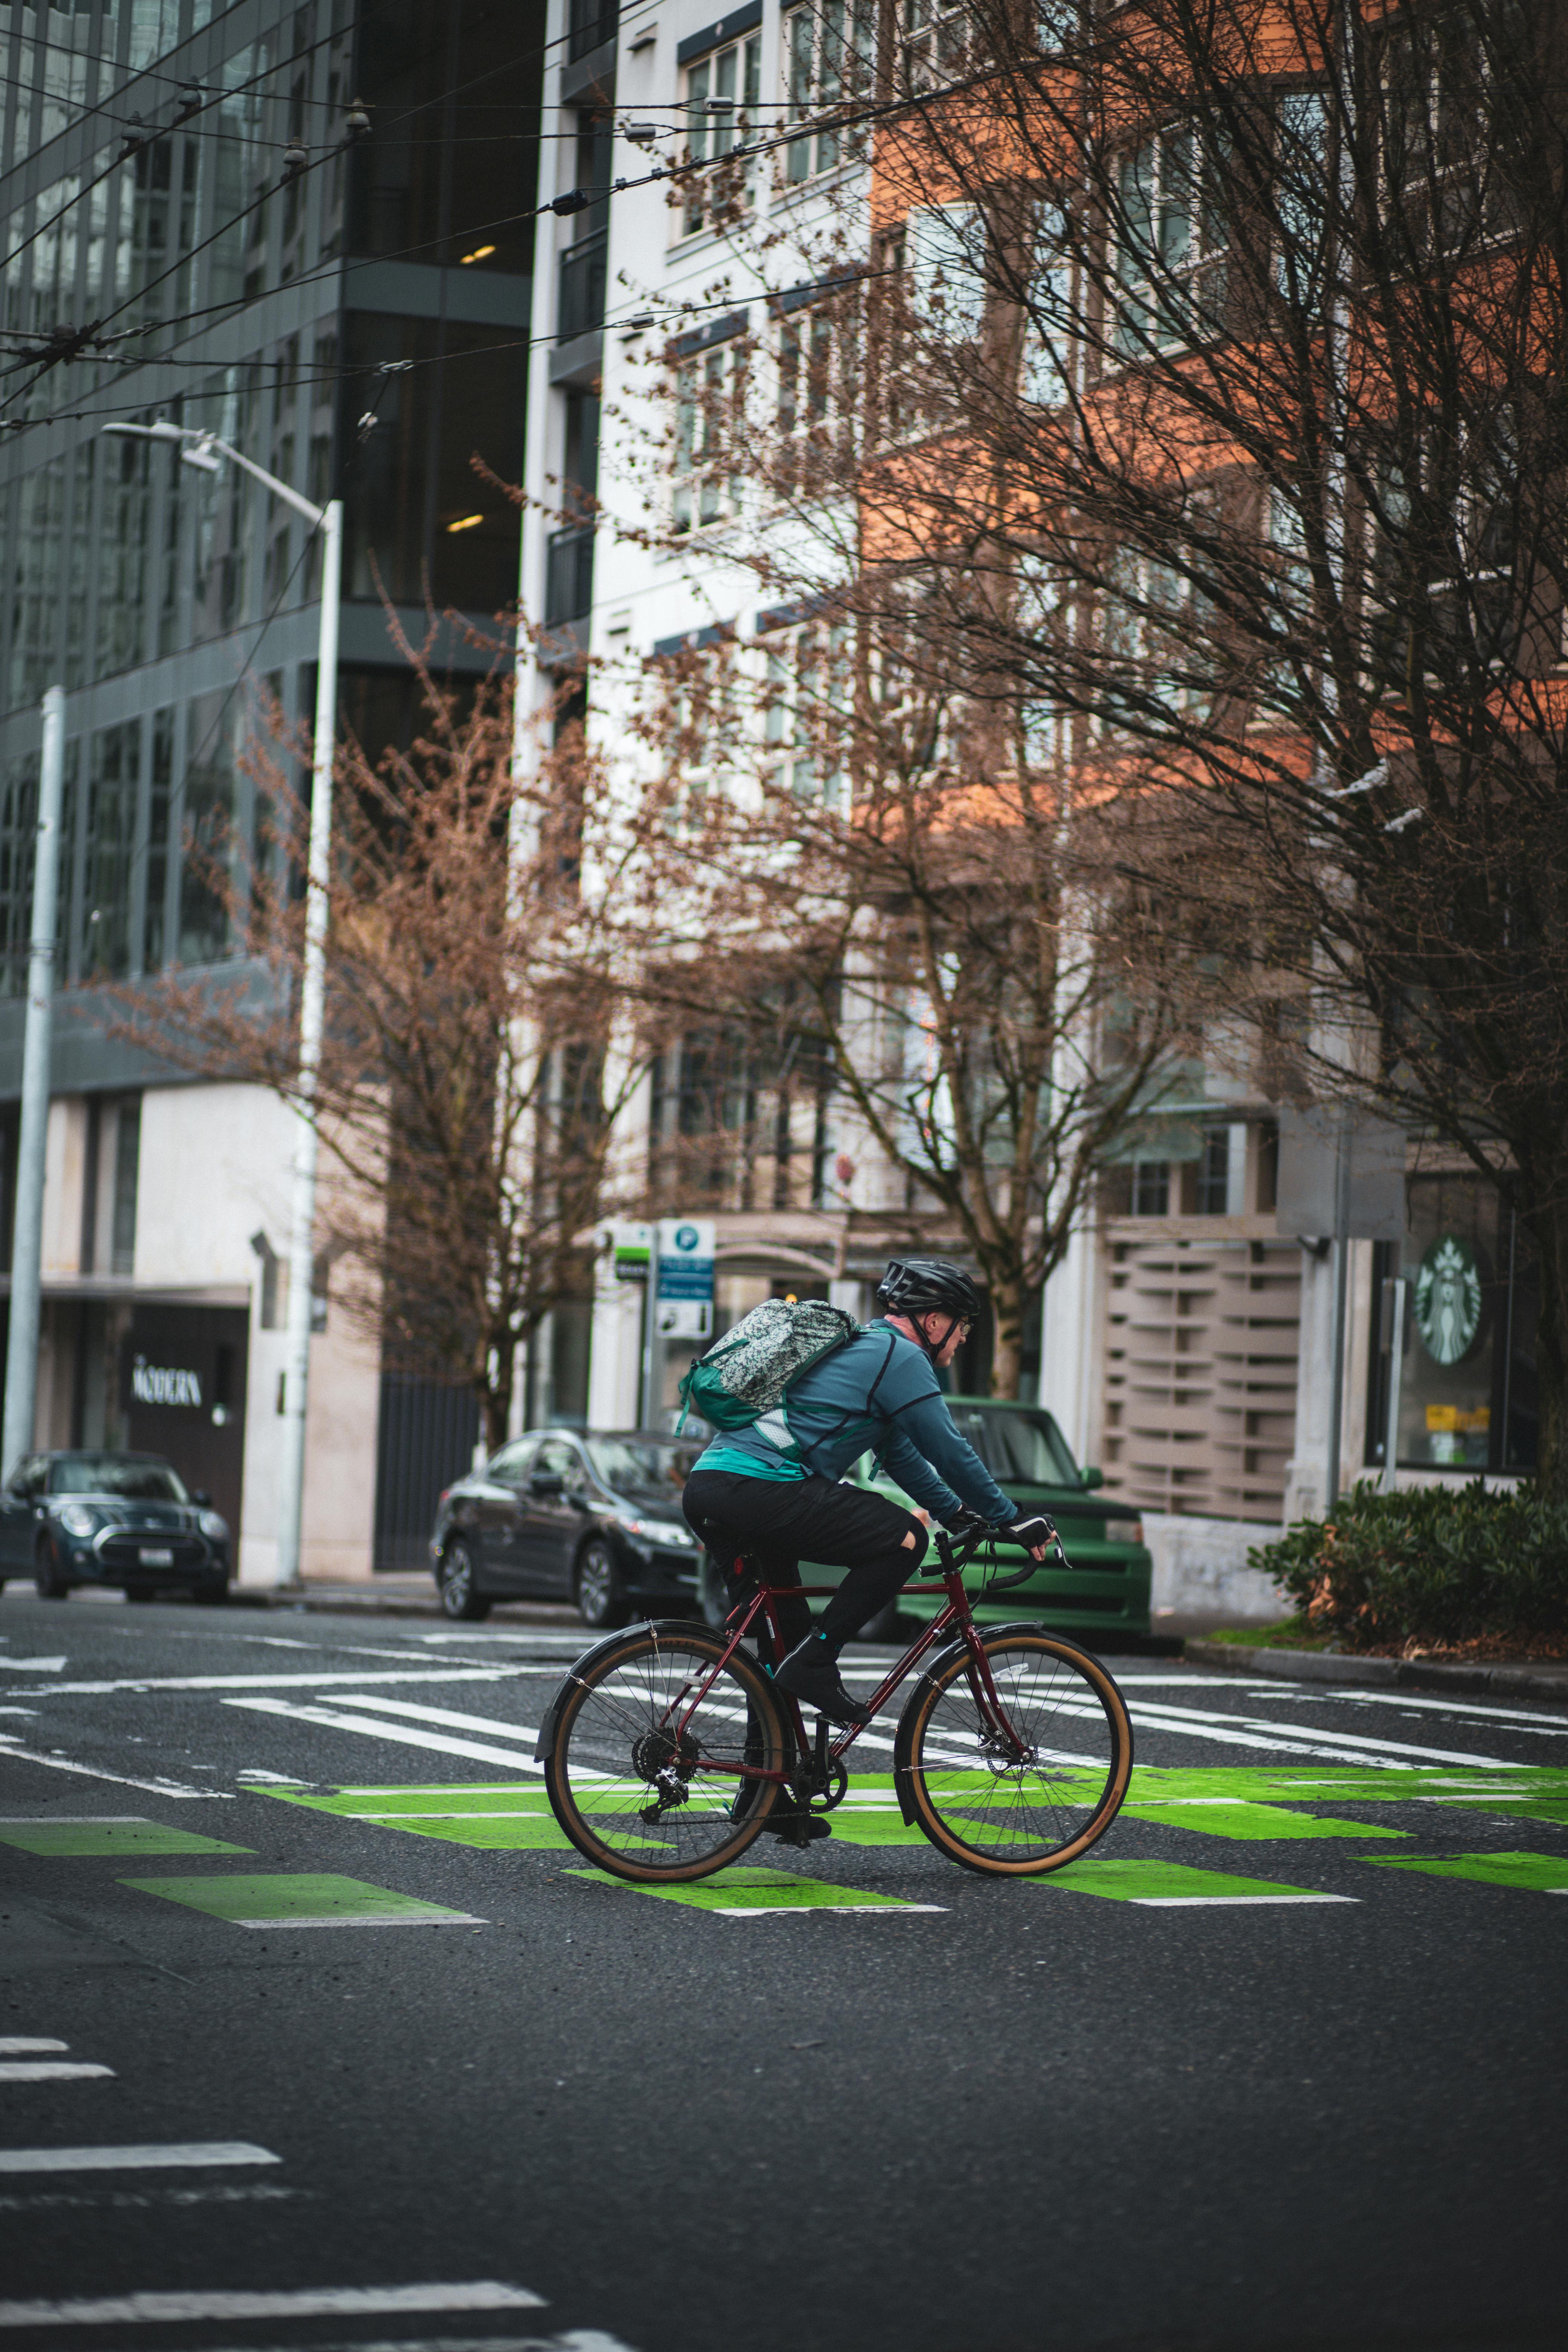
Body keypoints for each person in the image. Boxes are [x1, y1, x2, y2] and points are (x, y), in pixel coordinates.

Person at [681, 1257, 1053, 1733]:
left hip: (713, 1487)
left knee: (781, 1648)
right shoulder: (900, 1359)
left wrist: (954, 1511)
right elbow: (947, 1447)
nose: (963, 1339)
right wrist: (1011, 1517)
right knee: (905, 1538)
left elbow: (900, 1455)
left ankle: (770, 1797)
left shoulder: (867, 1350)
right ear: (934, 1321)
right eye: (962, 1326)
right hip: (759, 1486)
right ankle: (818, 1662)